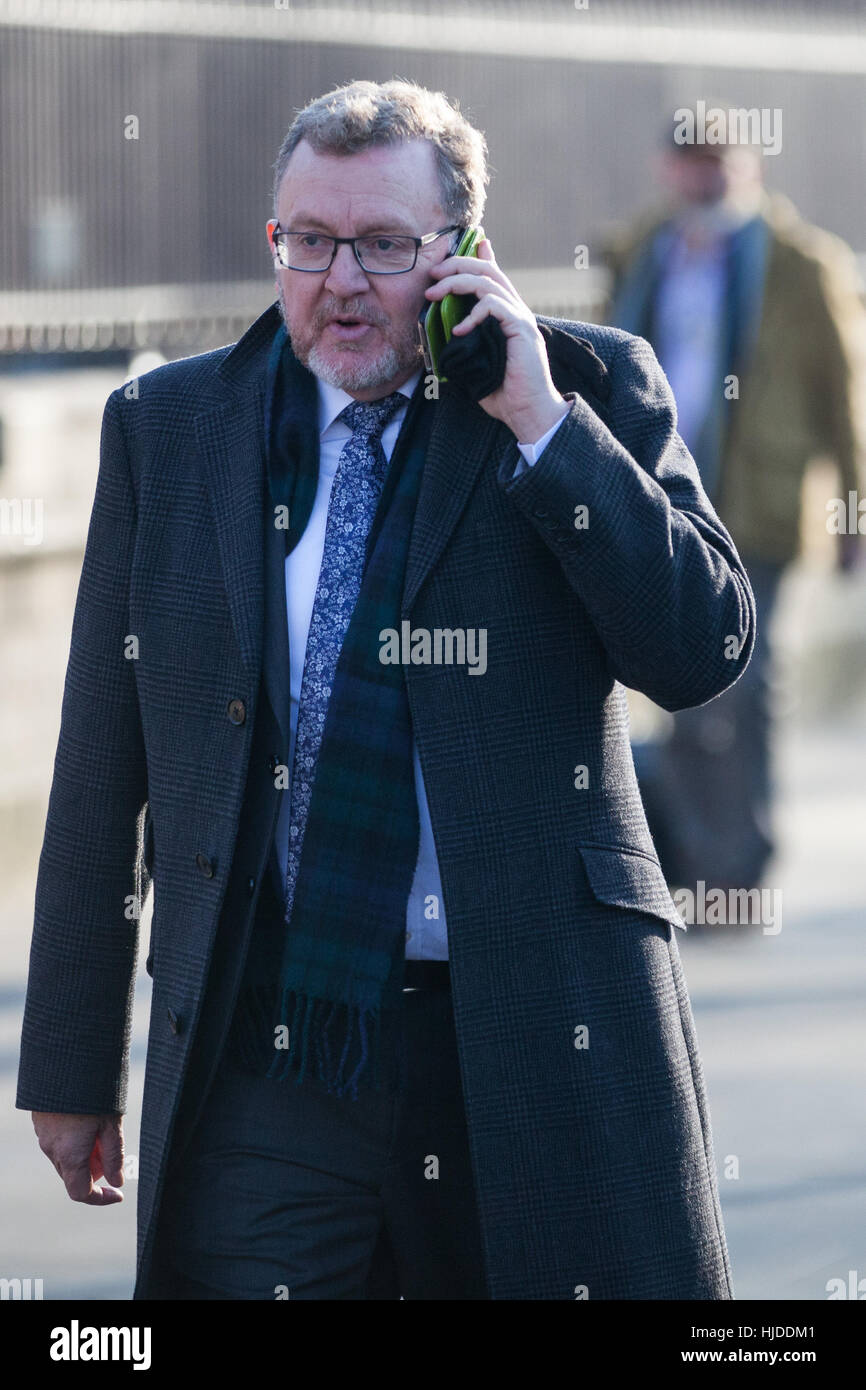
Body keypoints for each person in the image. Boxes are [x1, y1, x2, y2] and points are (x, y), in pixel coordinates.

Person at [17, 79, 755, 1301]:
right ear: (276, 242)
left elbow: (697, 647)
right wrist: (71, 1059)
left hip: (526, 1034)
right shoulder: (170, 426)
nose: (339, 280)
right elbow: (104, 756)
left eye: (380, 245)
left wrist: (537, 424)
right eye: (309, 241)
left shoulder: (583, 389)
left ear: (462, 255)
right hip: (270, 1048)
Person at [605, 114, 866, 893]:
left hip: (764, 506)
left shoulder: (801, 264)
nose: (703, 177)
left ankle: (739, 863)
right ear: (667, 168)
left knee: (742, 680)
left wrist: (857, 507)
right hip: (662, 496)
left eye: (718, 161)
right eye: (689, 162)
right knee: (682, 685)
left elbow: (846, 395)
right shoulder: (642, 250)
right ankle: (699, 860)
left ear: (747, 166)